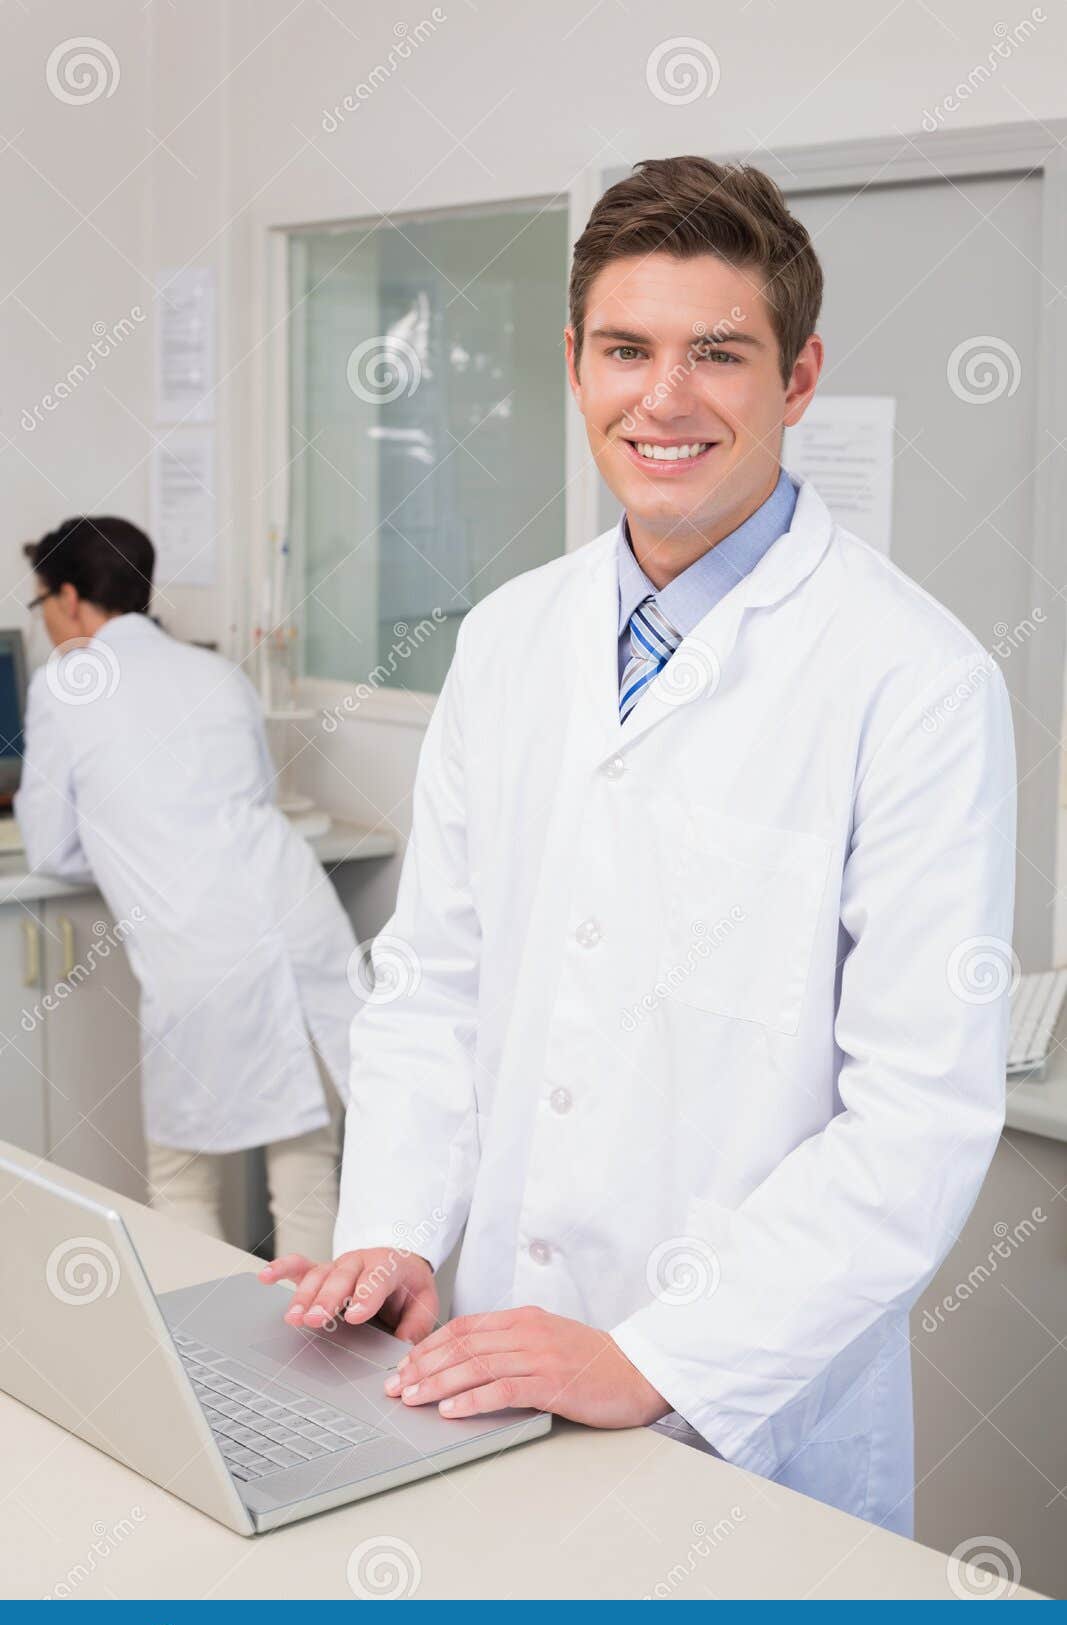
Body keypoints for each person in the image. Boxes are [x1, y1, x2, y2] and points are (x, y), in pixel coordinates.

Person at [259, 156, 1016, 1534]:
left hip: (747, 1428)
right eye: (624, 350)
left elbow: (916, 1117)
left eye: (715, 353)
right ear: (573, 365)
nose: (661, 398)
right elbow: (430, 986)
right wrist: (394, 1234)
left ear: (795, 379)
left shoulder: (913, 679)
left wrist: (653, 1358)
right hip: (484, 1363)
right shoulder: (507, 639)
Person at [16, 516, 357, 1257]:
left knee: (182, 1182)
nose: (42, 619)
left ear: (68, 598)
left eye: (40, 600)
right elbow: (253, 795)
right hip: (302, 920)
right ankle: (322, 1333)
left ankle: (204, 1334)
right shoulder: (216, 672)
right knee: (306, 1165)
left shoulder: (63, 683)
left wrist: (132, 842)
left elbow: (51, 846)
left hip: (204, 946)